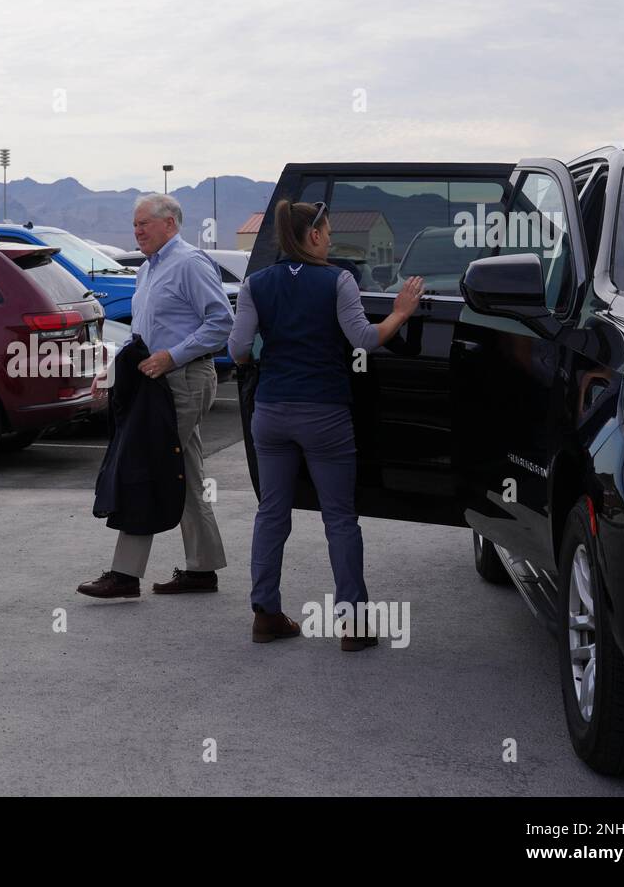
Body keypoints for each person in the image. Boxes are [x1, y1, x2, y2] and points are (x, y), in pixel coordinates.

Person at [228, 200, 423, 649]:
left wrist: (267, 349)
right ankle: (353, 625)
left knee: (272, 514)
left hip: (271, 412)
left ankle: (266, 614)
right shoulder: (339, 280)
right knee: (339, 519)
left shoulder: (256, 283)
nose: (332, 238)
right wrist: (401, 312)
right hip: (325, 414)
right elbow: (364, 338)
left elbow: (238, 348)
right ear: (313, 236)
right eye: (329, 232)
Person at [78, 193, 234, 598]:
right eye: (134, 224)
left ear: (171, 224)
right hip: (157, 383)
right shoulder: (148, 269)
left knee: (144, 467)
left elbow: (222, 323)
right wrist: (122, 368)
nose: (137, 230)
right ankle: (202, 570)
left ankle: (125, 575)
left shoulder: (190, 264)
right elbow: (143, 331)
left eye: (144, 223)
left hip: (182, 380)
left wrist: (171, 356)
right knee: (186, 474)